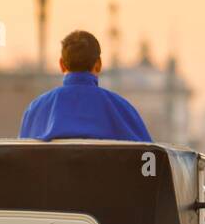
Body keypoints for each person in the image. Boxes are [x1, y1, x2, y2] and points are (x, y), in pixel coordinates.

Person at [19, 29, 152, 142]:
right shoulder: (122, 110)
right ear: (98, 64)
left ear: (61, 65)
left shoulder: (35, 111)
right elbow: (151, 163)